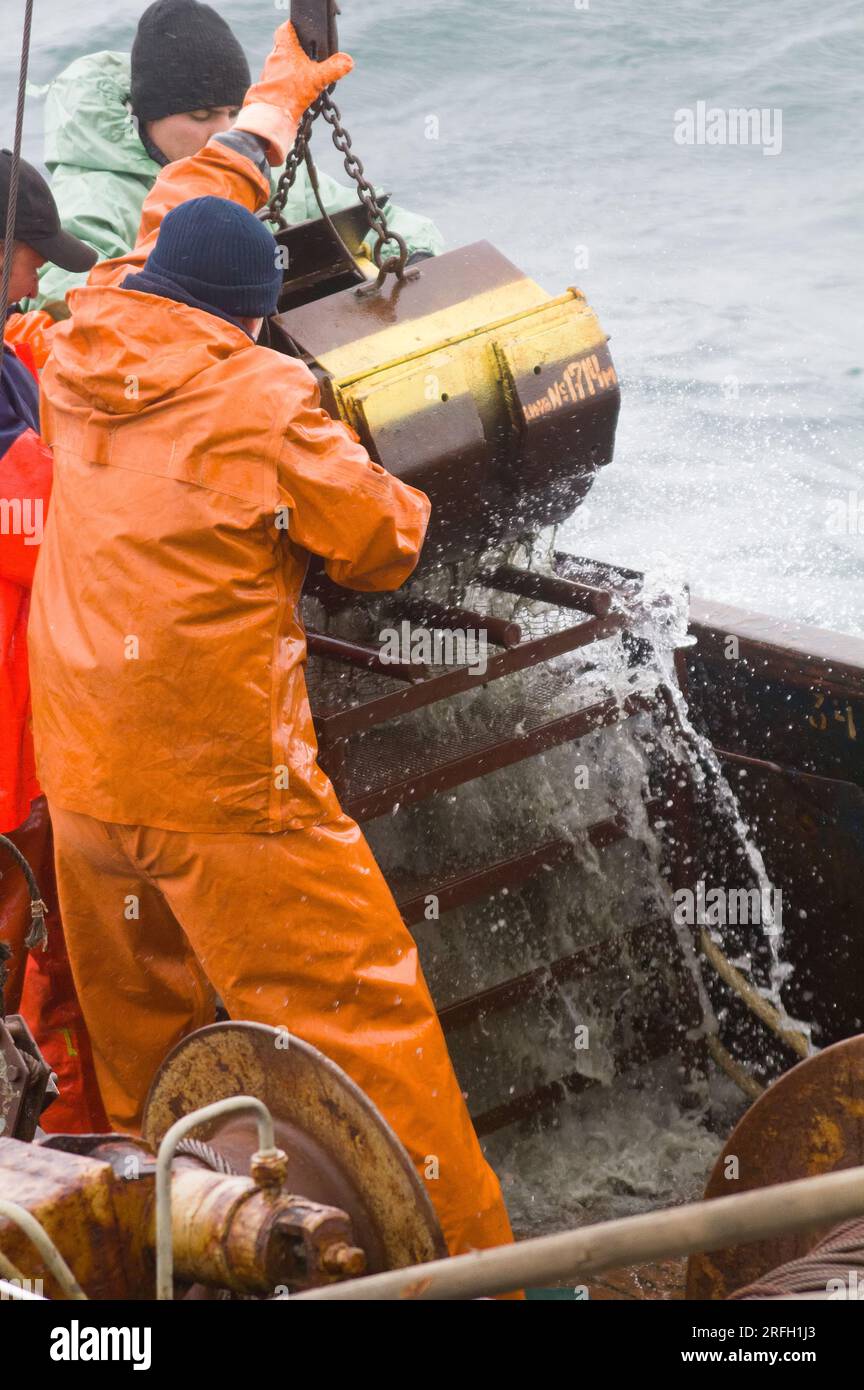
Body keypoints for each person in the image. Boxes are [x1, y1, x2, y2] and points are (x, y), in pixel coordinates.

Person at [28, 21, 518, 1279]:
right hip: (229, 792)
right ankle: (470, 1275)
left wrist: (289, 72)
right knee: (364, 1031)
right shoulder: (255, 398)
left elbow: (213, 174)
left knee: (151, 1065)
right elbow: (383, 542)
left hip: (82, 787)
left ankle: (167, 1267)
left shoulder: (84, 327)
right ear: (249, 324)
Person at [34, 0, 443, 314]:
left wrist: (413, 256)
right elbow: (65, 299)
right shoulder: (93, 194)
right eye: (200, 116)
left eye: (234, 113)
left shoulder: (268, 169)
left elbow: (388, 224)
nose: (222, 132)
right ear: (144, 117)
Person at [0, 150, 108, 1131]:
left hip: (29, 747)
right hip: (9, 768)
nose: (38, 280)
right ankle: (52, 1152)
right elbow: (36, 530)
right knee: (33, 953)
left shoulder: (9, 361)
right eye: (31, 260)